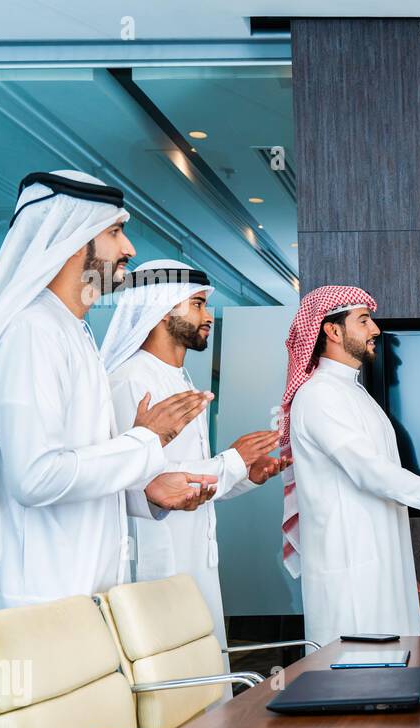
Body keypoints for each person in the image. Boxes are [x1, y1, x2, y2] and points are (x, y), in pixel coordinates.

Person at [0, 170, 215, 728]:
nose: (128, 249)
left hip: (82, 602)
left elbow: (80, 466)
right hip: (44, 604)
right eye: (115, 232)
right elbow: (36, 477)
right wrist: (145, 441)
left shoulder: (73, 334)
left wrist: (145, 490)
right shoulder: (32, 333)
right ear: (70, 238)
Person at [279, 285, 420, 644]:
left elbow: (386, 489)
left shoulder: (355, 393)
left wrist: (403, 571)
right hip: (352, 577)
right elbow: (375, 476)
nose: (376, 331)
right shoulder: (319, 395)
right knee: (355, 683)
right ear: (332, 331)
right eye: (364, 321)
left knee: (394, 677)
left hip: (383, 570)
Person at [103, 259, 289, 658]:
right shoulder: (131, 379)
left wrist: (245, 474)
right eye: (198, 305)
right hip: (157, 563)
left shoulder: (179, 378)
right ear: (162, 307)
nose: (208, 317)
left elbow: (191, 484)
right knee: (176, 687)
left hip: (193, 561)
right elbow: (144, 484)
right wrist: (233, 460)